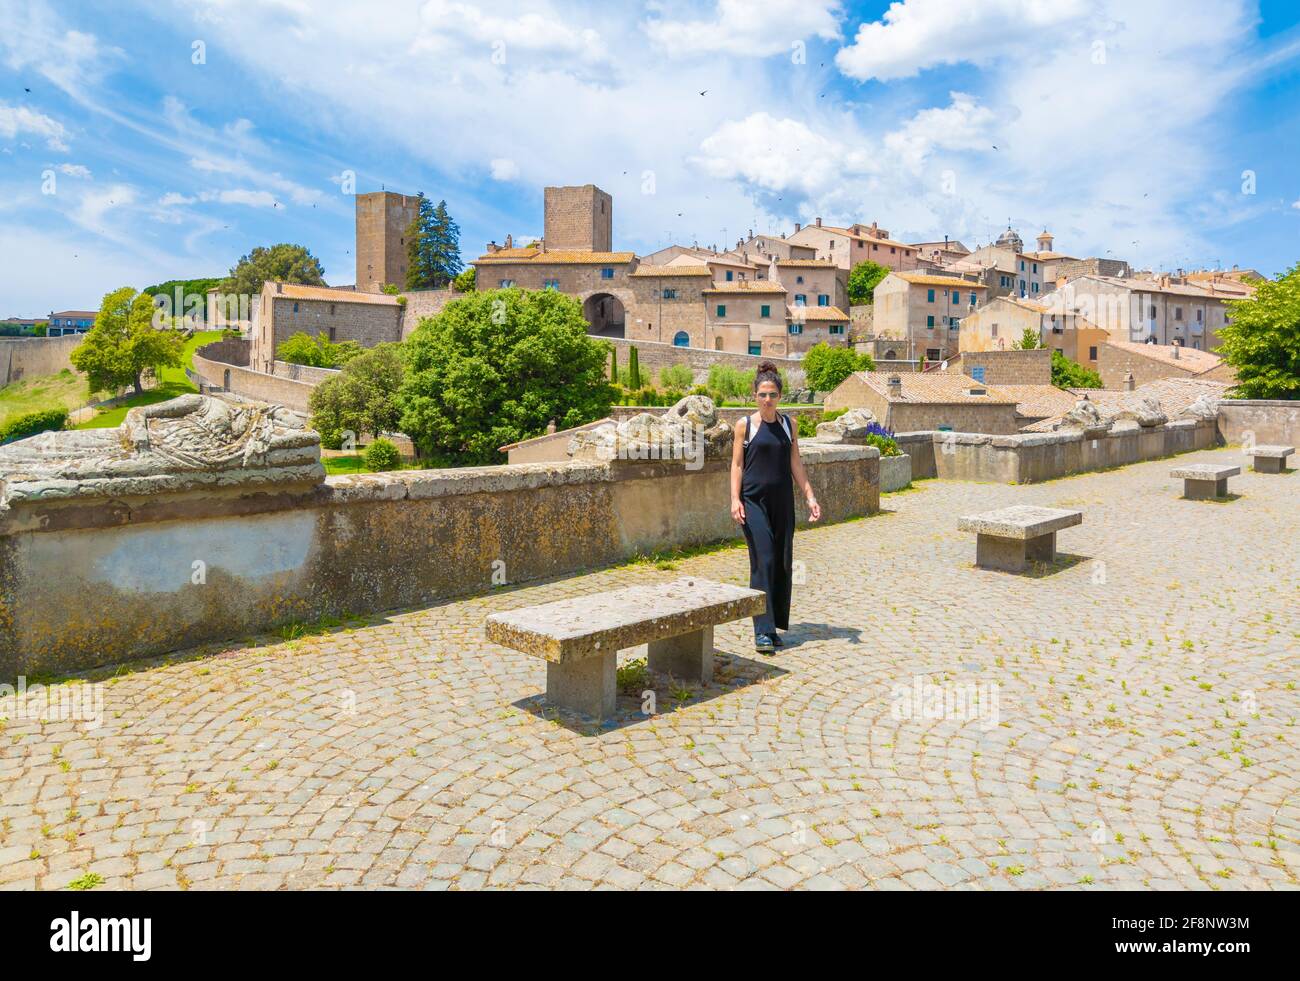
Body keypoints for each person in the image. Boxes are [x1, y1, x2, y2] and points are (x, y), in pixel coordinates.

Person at [729, 361, 821, 653]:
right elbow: (737, 464)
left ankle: (775, 624)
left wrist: (809, 496)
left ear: (780, 396)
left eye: (772, 394)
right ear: (754, 395)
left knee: (782, 561)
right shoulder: (745, 425)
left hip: (783, 502)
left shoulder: (788, 425)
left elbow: (795, 462)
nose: (767, 399)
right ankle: (762, 631)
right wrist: (735, 499)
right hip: (753, 502)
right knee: (763, 559)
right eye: (762, 394)